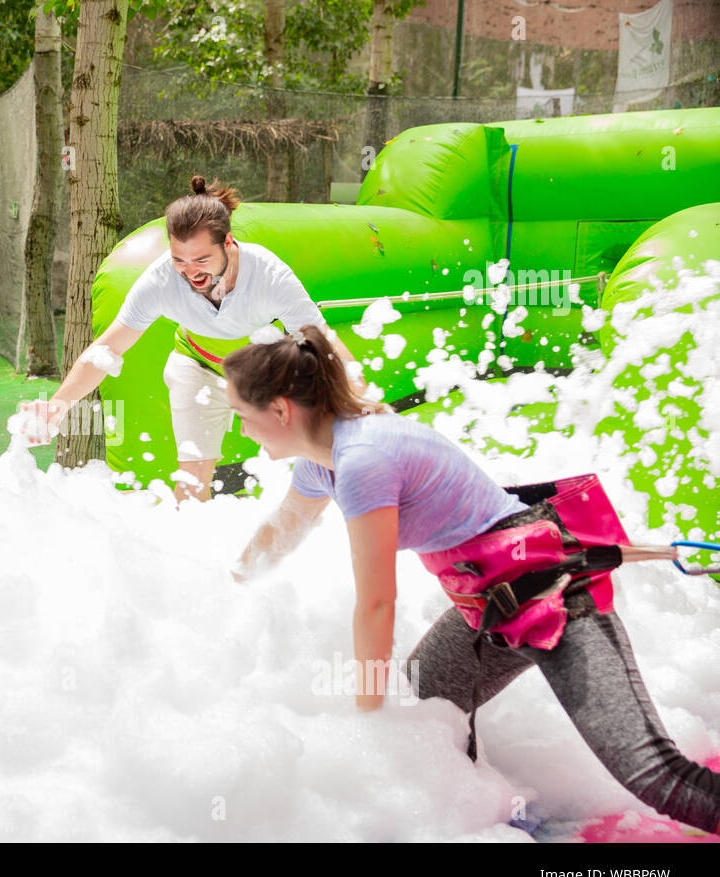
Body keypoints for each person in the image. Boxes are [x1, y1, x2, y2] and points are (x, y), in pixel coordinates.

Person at [223, 325, 720, 836]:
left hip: (554, 600)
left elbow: (376, 602)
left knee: (655, 775)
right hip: (493, 607)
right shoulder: (323, 458)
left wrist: (365, 718)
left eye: (242, 415)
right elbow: (285, 527)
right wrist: (230, 582)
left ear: (281, 410)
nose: (241, 431)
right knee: (422, 707)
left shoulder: (361, 461)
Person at [19, 175, 360, 502]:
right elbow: (108, 348)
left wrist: (362, 399)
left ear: (228, 243)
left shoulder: (269, 275)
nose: (190, 271)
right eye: (179, 259)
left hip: (260, 374)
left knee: (312, 456)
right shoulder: (161, 280)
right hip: (196, 367)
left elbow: (321, 342)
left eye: (201, 259)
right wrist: (57, 405)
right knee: (193, 482)